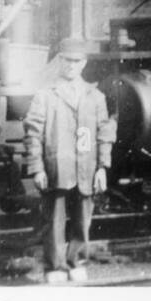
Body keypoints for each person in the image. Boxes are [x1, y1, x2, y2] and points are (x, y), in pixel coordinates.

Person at [24, 36, 115, 284]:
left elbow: (104, 134)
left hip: (86, 168)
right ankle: (55, 266)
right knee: (53, 220)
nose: (71, 66)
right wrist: (37, 168)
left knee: (82, 219)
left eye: (76, 61)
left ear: (83, 63)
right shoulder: (45, 95)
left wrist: (102, 168)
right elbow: (33, 134)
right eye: (66, 60)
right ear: (60, 61)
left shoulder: (95, 96)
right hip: (57, 168)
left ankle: (77, 262)